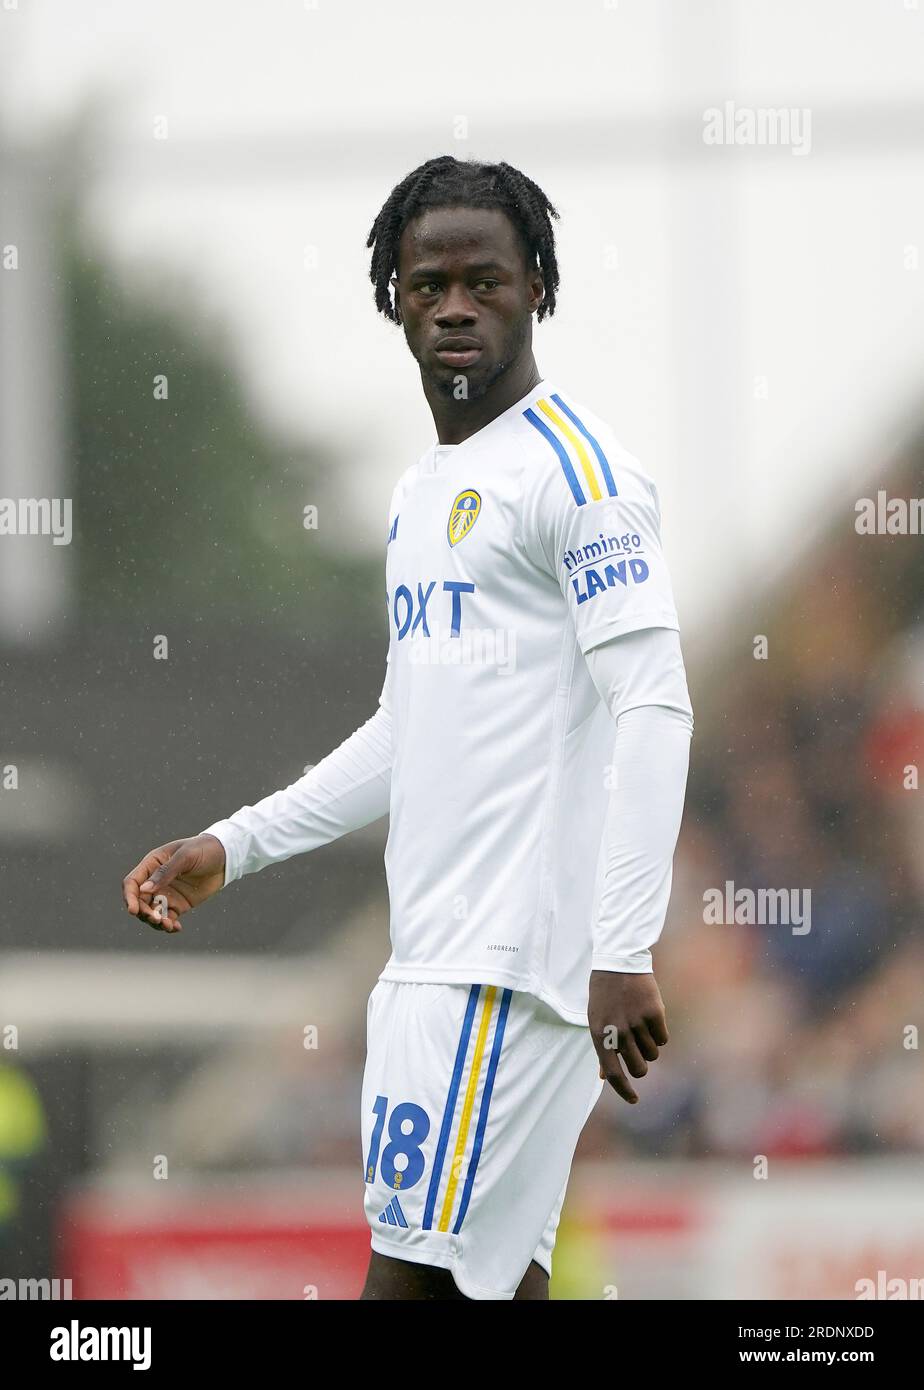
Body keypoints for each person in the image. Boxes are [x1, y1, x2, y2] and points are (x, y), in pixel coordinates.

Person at [122, 156, 694, 1301]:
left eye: (486, 280)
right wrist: (235, 844)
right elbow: (406, 728)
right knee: (483, 1290)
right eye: (427, 283)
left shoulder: (576, 475)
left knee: (409, 1286)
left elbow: (655, 701)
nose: (455, 305)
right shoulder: (421, 494)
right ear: (393, 296)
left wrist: (622, 946)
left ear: (539, 287)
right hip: (433, 966)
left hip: (504, 972)